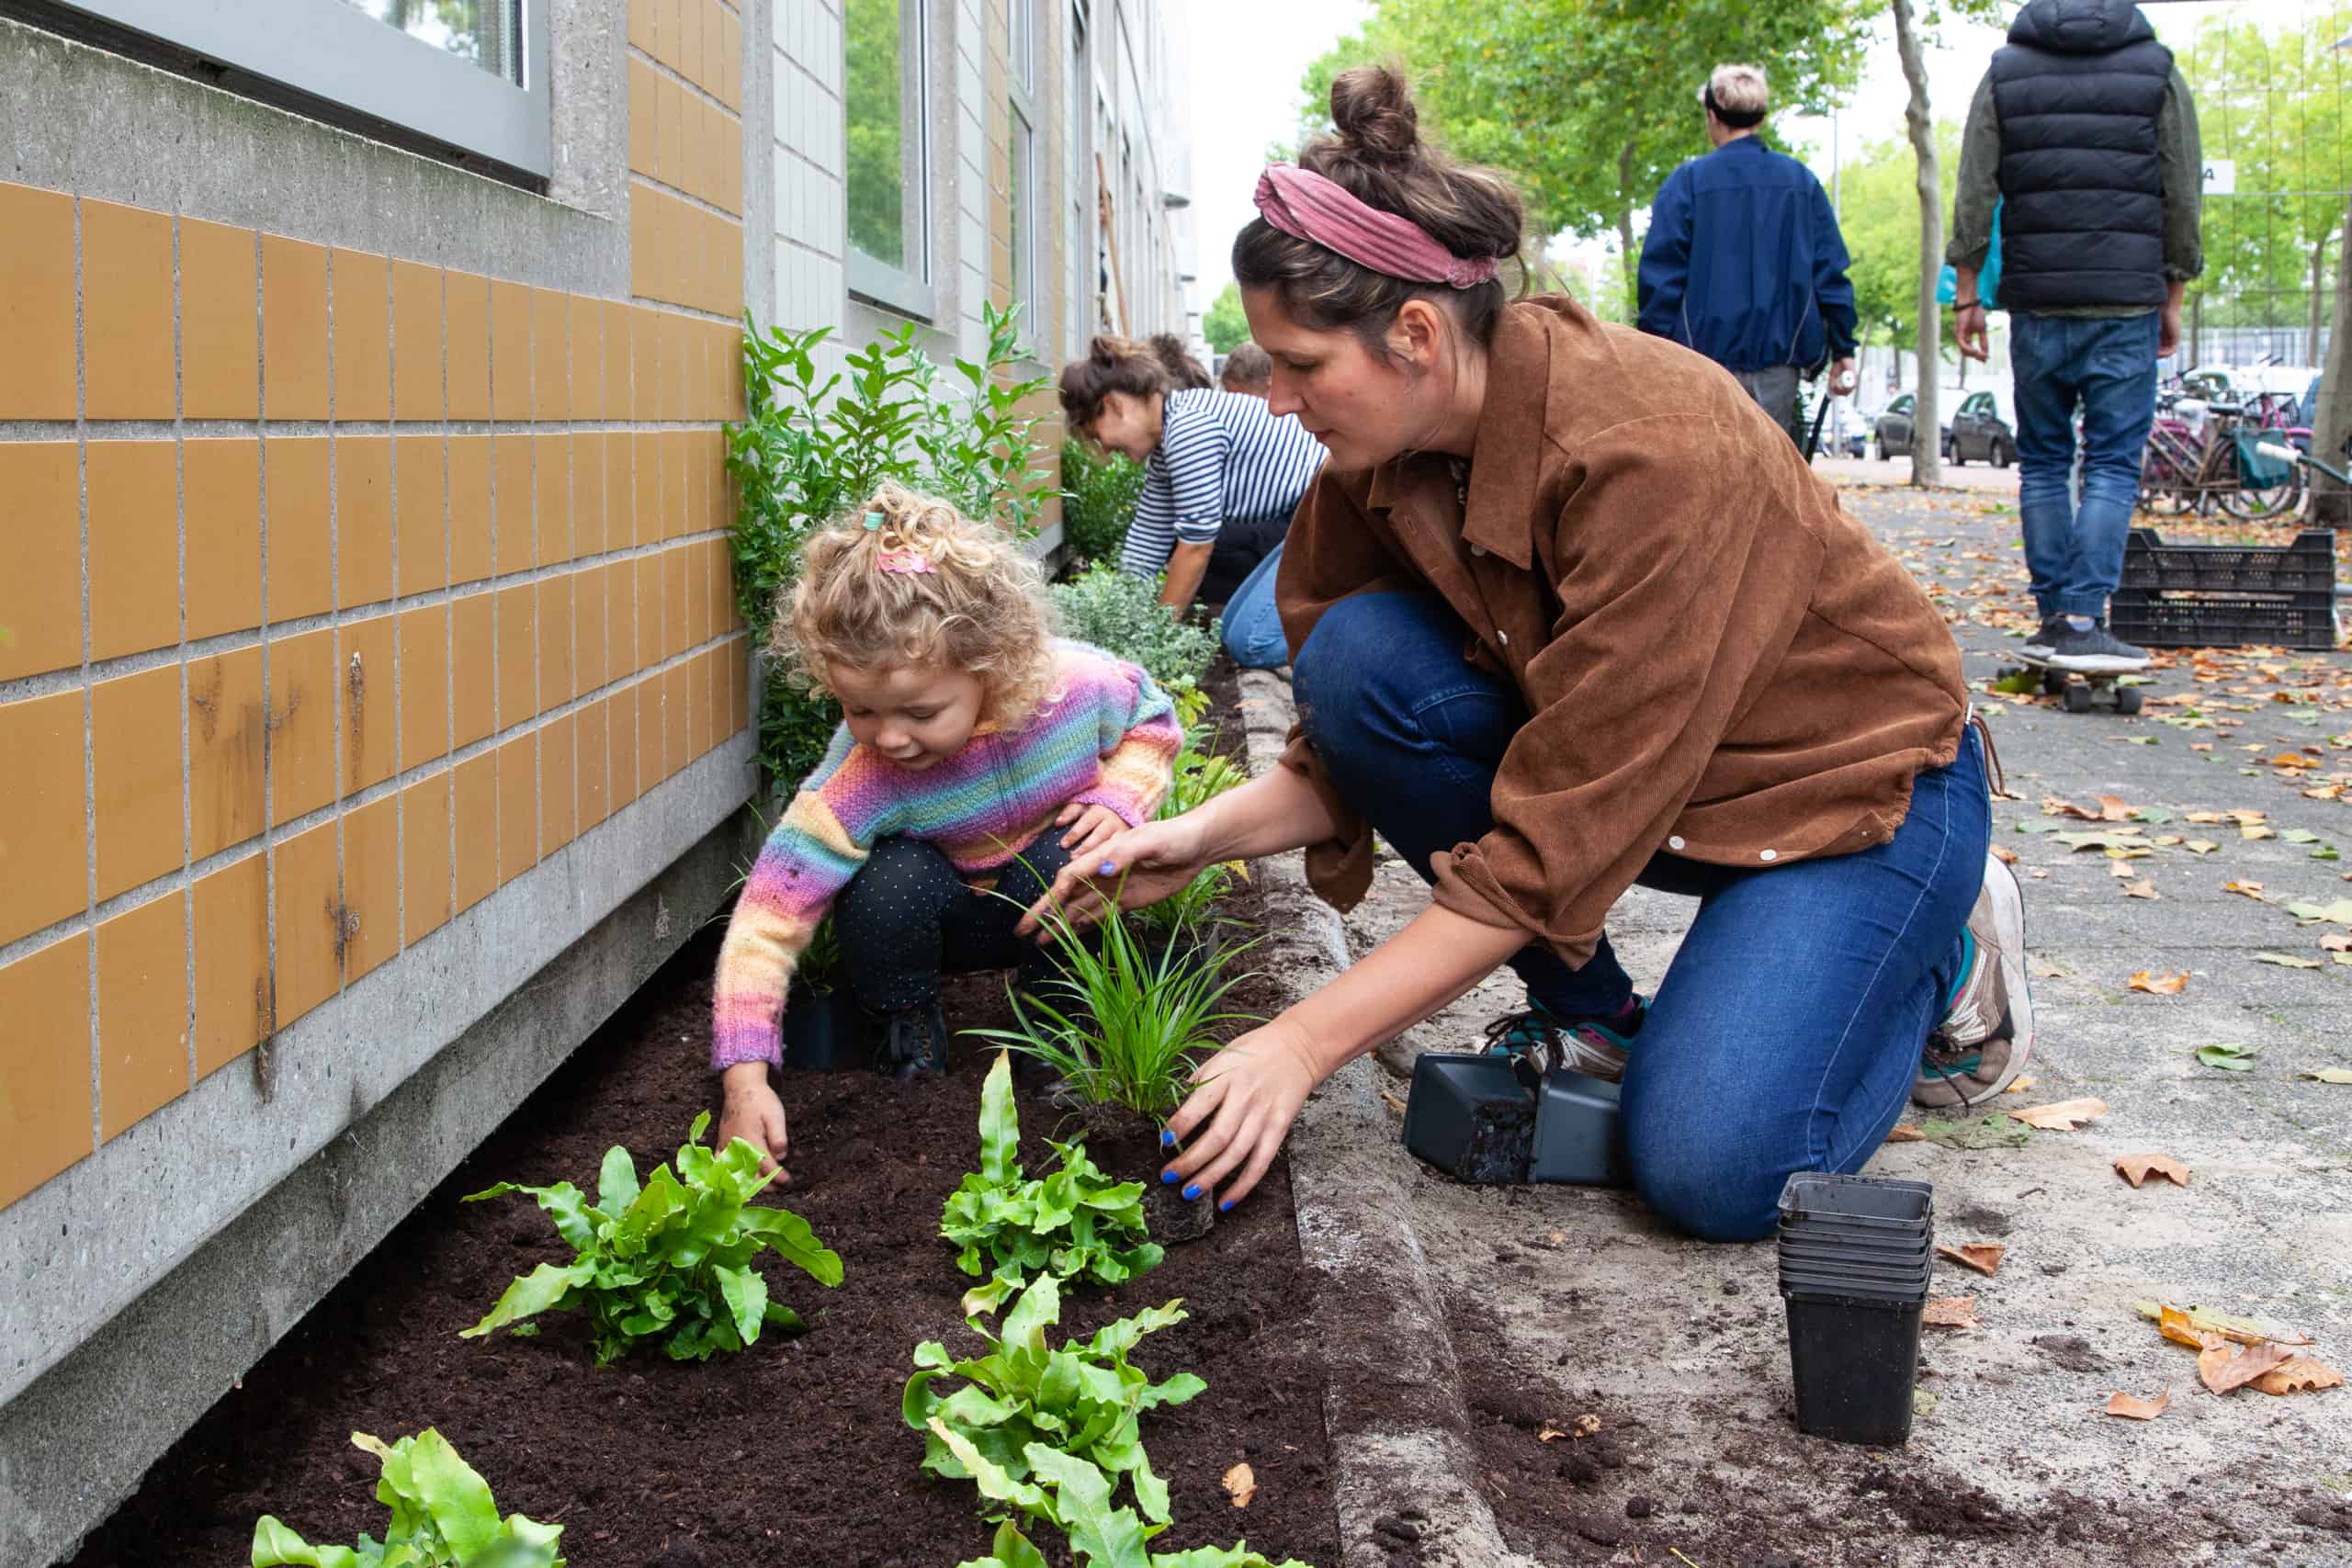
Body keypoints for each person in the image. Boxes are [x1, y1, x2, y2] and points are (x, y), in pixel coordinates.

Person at [1024, 66, 2033, 1244]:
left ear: (1412, 334)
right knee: (1355, 659)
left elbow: (1556, 841)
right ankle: (1606, 1019)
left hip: (1854, 796)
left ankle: (1937, 955)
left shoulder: (1652, 450)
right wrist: (1192, 842)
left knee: (1714, 1170)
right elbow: (1350, 741)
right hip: (1662, 794)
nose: (1279, 403)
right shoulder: (1376, 454)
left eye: (1301, 367)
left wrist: (1299, 1041)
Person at [710, 483, 1182, 1182]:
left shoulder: (1073, 690)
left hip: (1049, 897)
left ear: (990, 662)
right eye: (861, 708)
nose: (890, 736)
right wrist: (744, 1083)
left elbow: (1152, 720)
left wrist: (1123, 797)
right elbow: (770, 913)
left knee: (1082, 852)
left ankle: (1053, 1041)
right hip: (942, 916)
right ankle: (911, 1048)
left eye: (920, 711)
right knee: (884, 879)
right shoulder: (862, 771)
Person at [1951, 0, 2201, 675]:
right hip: (2127, 300)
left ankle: (2054, 616)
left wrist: (1967, 291)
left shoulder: (2005, 72)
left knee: (2042, 460)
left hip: (2037, 301)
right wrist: (2174, 292)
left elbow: (1976, 185)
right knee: (2113, 462)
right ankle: (2087, 619)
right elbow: (2181, 190)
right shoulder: (2157, 70)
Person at [1058, 334, 1325, 671]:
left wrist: (1153, 644)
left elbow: (1196, 547)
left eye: (1097, 435)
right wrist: (1119, 615)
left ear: (1114, 405)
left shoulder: (1187, 429)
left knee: (1251, 642)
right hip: (1299, 516)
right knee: (1229, 627)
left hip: (1330, 510)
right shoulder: (1166, 441)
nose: (1106, 451)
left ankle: (1355, 622)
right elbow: (1146, 540)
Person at [1635, 62, 1859, 444]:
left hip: (1700, 364)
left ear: (1712, 116)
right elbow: (1829, 270)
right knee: (1770, 478)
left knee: (1709, 476)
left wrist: (1651, 351)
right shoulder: (1800, 183)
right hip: (1780, 364)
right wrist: (1843, 348)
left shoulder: (1687, 183)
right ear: (1761, 118)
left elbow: (1661, 279)